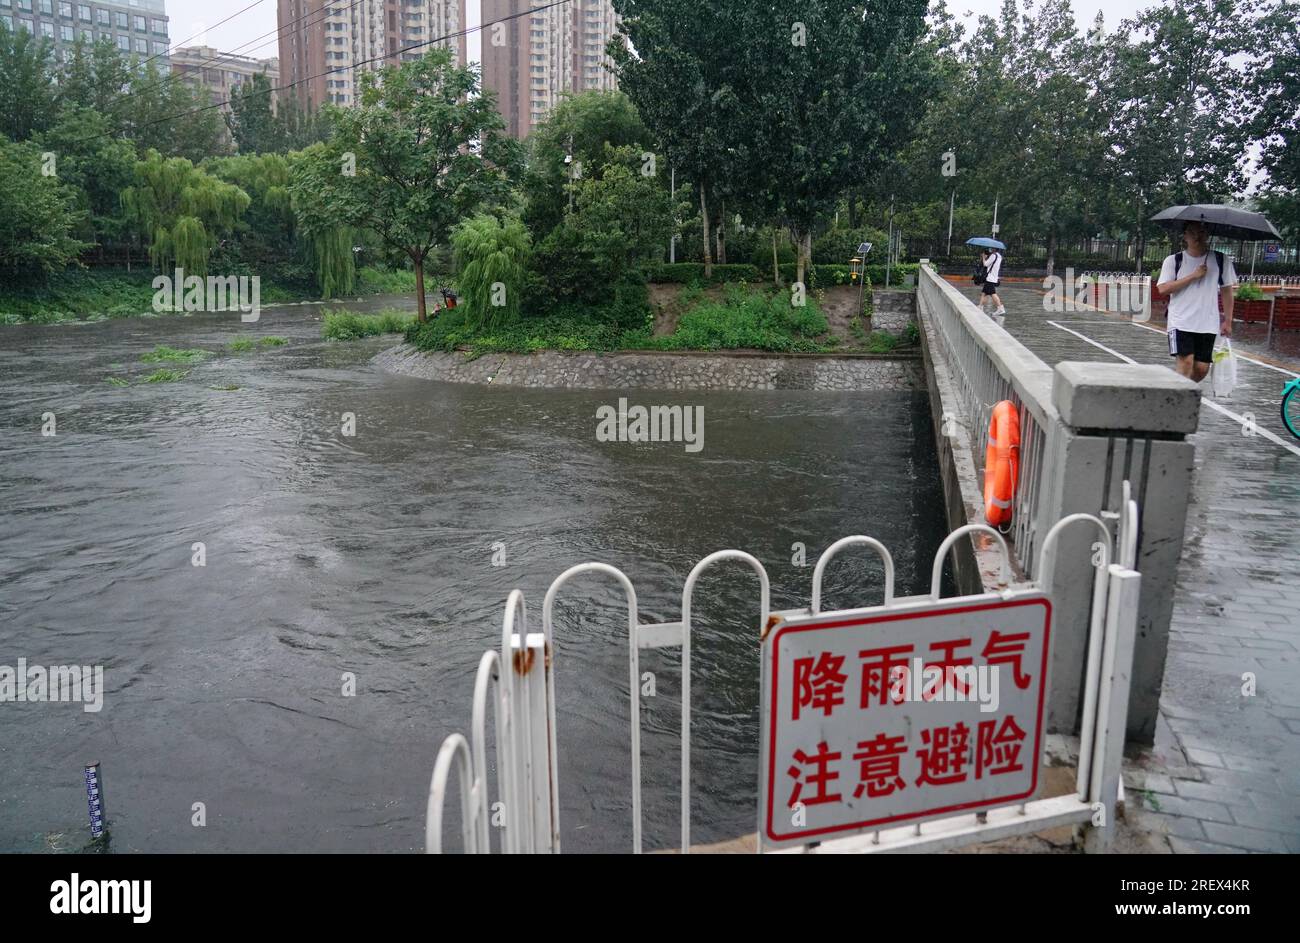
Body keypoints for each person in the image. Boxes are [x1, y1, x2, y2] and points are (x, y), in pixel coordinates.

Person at [1155, 221, 1236, 383]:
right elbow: (1163, 289)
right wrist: (1193, 276)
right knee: (1186, 363)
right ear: (1185, 235)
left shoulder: (1221, 260)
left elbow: (1227, 291)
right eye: (1192, 232)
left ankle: (1178, 390)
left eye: (1201, 231)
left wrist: (1228, 320)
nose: (1197, 236)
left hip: (1207, 323)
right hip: (1180, 321)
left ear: (1207, 235)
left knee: (1201, 369)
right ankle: (1179, 401)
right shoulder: (1174, 260)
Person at [979, 248, 1006, 317]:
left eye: (992, 248)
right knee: (984, 293)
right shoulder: (999, 256)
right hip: (993, 277)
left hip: (990, 278)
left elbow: (985, 264)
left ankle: (1000, 308)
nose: (990, 249)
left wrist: (983, 257)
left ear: (994, 248)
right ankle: (980, 307)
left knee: (993, 293)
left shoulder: (993, 256)